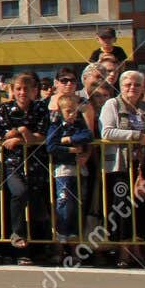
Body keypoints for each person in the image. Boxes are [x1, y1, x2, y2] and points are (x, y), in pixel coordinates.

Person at [99, 69, 145, 268]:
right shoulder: (112, 104)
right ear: (121, 86)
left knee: (143, 209)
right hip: (120, 166)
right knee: (123, 208)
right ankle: (124, 252)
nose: (132, 88)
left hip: (142, 167)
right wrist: (136, 136)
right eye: (128, 84)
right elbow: (107, 131)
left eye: (137, 85)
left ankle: (140, 250)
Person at [0, 72, 50, 265]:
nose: (22, 92)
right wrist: (24, 133)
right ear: (12, 90)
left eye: (26, 88)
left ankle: (37, 250)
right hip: (13, 163)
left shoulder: (41, 107)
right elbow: (2, 136)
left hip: (37, 163)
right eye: (18, 88)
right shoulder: (4, 108)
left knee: (37, 204)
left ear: (34, 90)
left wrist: (20, 132)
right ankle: (17, 236)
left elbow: (41, 135)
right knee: (19, 193)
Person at [47, 94, 93, 246]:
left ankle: (75, 232)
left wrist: (69, 140)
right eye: (68, 111)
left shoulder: (79, 124)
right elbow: (51, 146)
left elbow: (88, 136)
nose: (72, 114)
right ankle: (62, 231)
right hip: (64, 169)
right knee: (64, 200)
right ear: (60, 111)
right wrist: (70, 150)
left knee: (78, 202)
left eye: (74, 111)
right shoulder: (56, 126)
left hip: (79, 169)